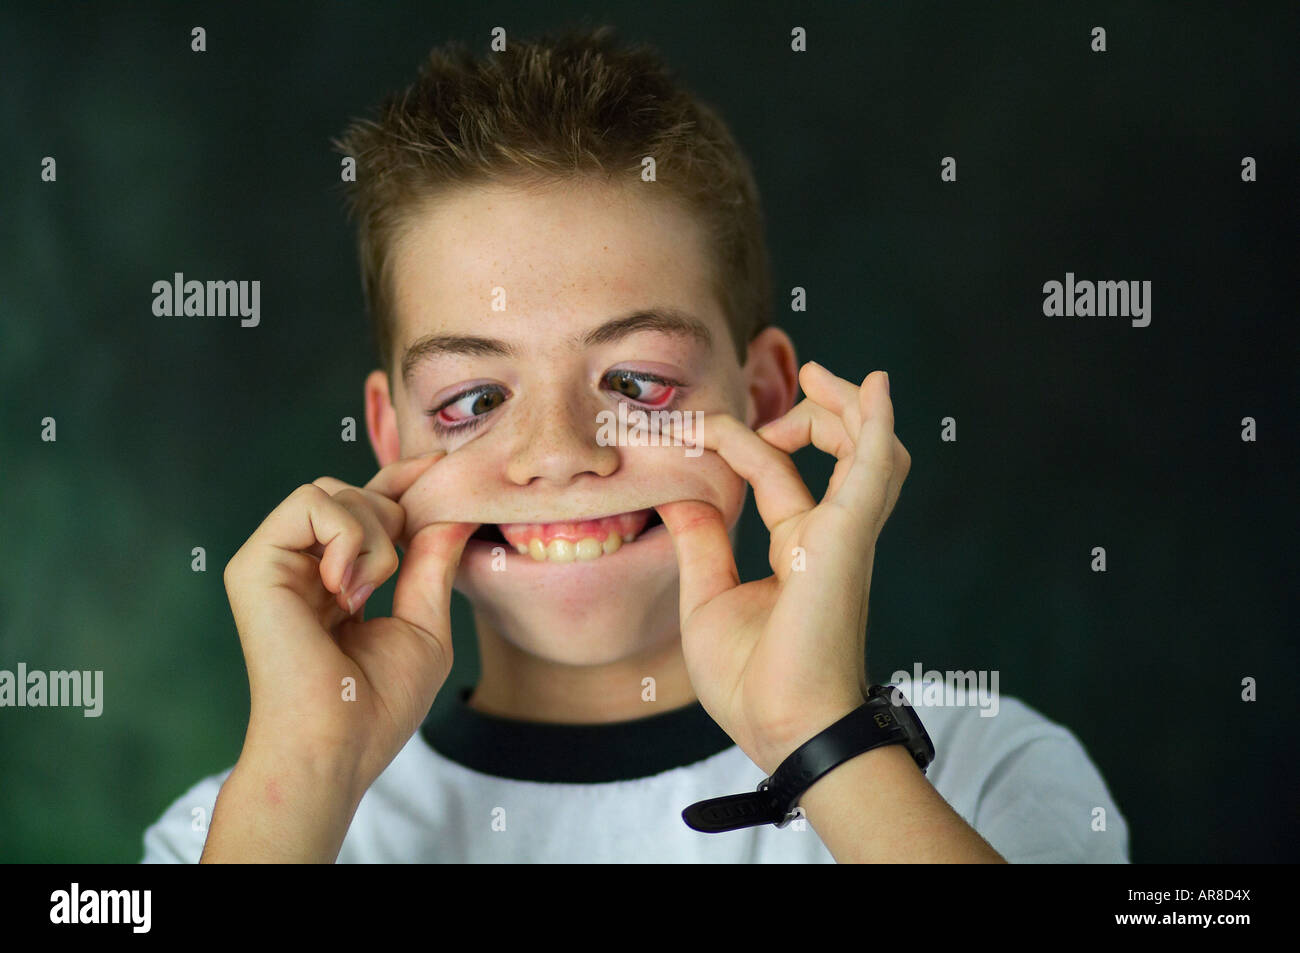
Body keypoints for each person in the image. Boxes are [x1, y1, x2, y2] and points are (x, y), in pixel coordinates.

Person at [141, 24, 1129, 863]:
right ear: (391, 434)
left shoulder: (976, 766)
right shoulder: (234, 828)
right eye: (474, 396)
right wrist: (305, 770)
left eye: (636, 382)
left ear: (766, 393)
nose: (558, 451)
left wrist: (819, 737)